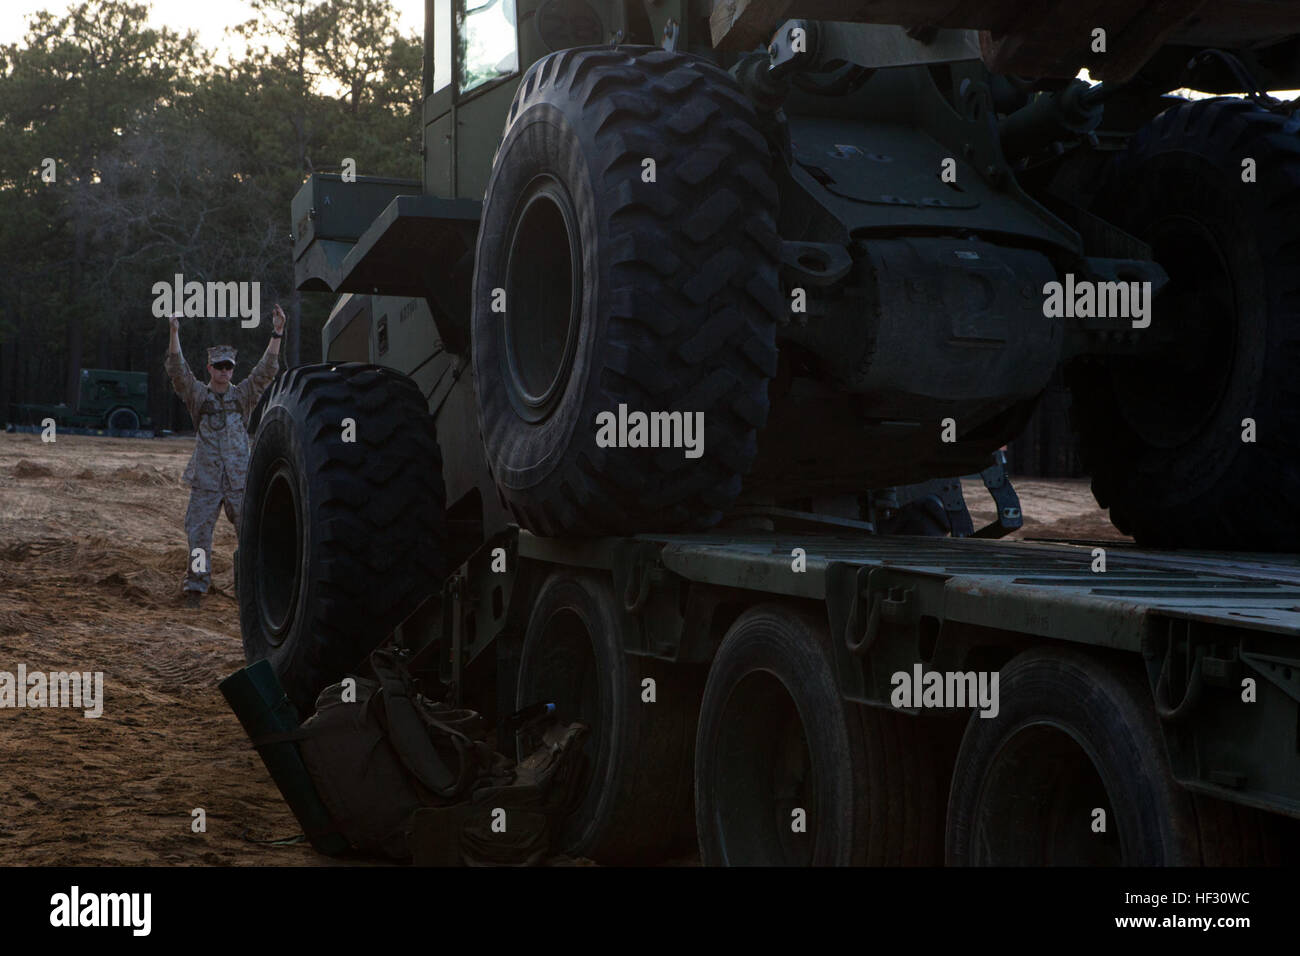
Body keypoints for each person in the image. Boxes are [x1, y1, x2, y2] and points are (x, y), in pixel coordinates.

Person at [166, 305, 287, 608]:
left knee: (251, 535)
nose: (223, 371)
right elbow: (178, 371)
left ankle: (251, 588)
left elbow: (267, 371)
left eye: (228, 367)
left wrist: (277, 333)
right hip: (206, 479)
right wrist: (174, 332)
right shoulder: (199, 396)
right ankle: (196, 587)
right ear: (209, 368)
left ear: (233, 368)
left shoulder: (243, 396)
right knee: (198, 535)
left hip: (238, 481)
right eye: (218, 366)